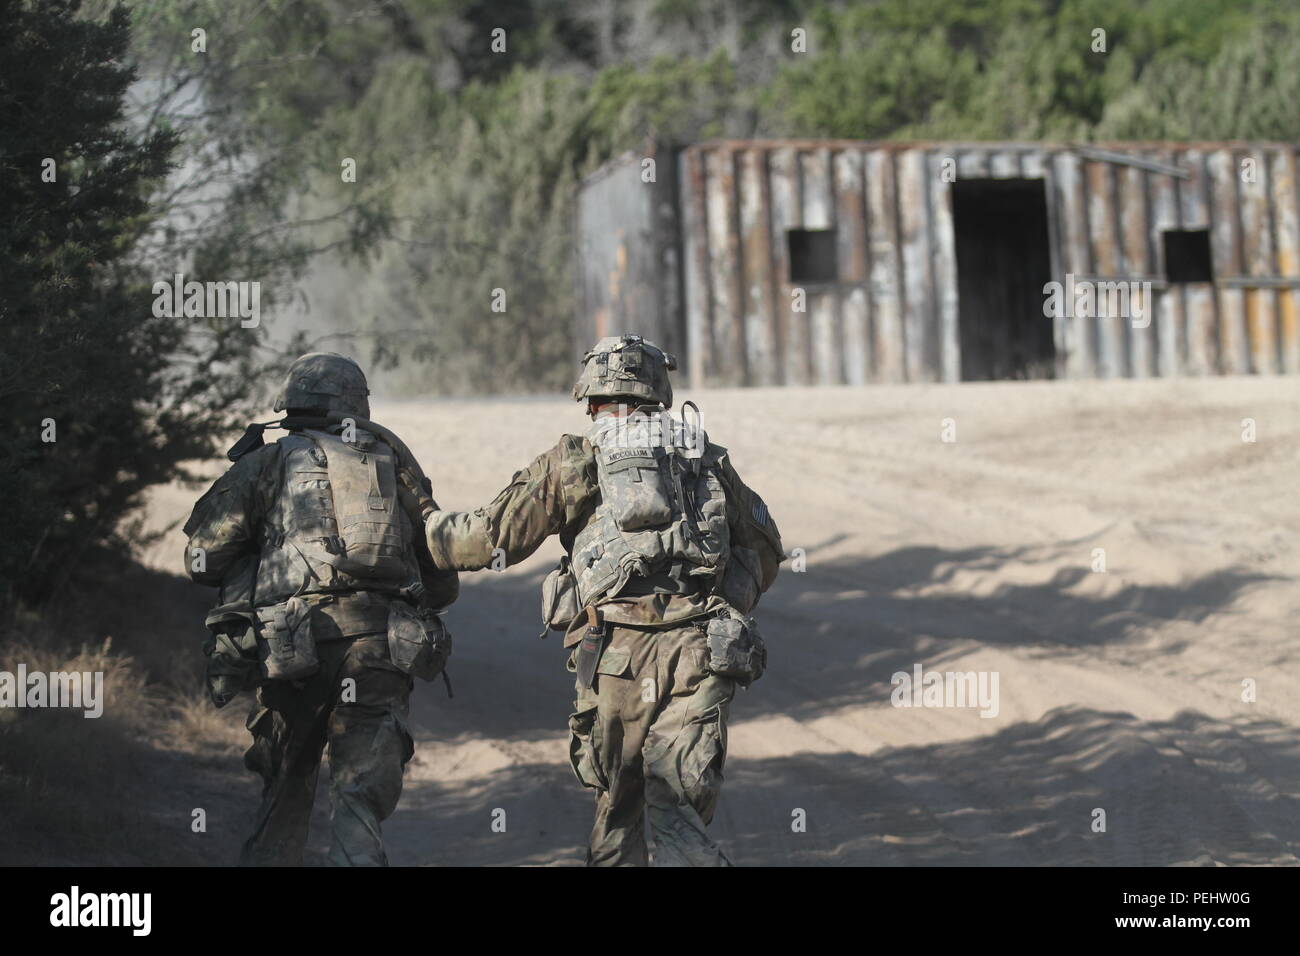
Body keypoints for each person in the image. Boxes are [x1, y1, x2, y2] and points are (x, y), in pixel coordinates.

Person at [400, 334, 783, 866]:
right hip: (699, 655)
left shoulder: (576, 459)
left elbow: (487, 542)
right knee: (678, 812)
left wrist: (417, 525)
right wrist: (714, 606)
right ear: (658, 391)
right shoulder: (704, 457)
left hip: (615, 658)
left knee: (619, 811)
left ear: (592, 396)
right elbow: (766, 553)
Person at [183, 352, 457, 866]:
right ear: (357, 404)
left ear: (292, 405)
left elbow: (202, 559)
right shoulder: (392, 462)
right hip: (381, 648)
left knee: (285, 790)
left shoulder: (267, 461)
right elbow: (440, 578)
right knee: (358, 802)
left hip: (294, 649)